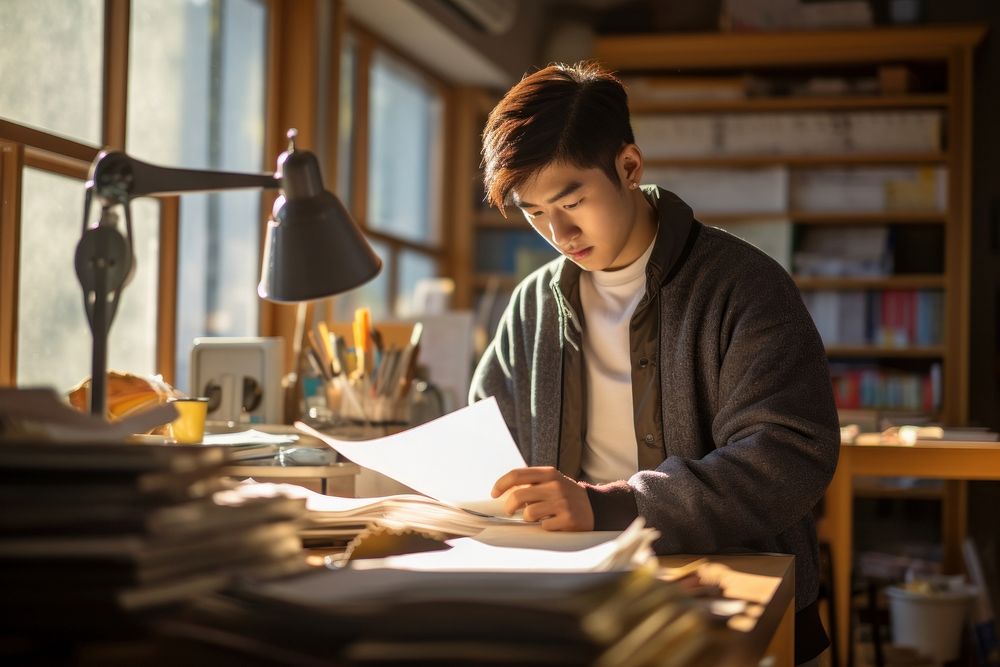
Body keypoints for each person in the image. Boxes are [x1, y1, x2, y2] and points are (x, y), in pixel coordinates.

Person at [469, 61, 839, 666]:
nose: (559, 232)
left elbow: (787, 454)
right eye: (534, 213)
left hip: (733, 595)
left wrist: (612, 505)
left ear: (629, 167)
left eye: (572, 200)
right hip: (579, 598)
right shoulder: (533, 303)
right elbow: (488, 441)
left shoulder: (743, 284)